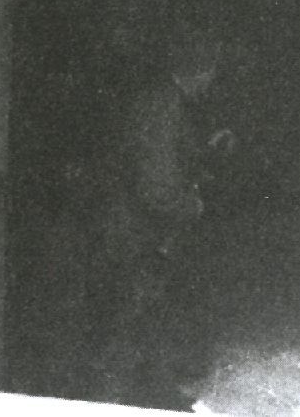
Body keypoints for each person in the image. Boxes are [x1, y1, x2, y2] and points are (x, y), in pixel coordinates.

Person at [85, 24, 241, 411]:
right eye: (210, 73)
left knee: (145, 314)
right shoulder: (162, 109)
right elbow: (156, 188)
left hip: (137, 232)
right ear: (200, 71)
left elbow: (167, 157)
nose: (211, 82)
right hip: (132, 234)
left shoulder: (163, 100)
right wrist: (193, 206)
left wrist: (205, 151)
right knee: (130, 319)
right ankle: (113, 402)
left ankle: (150, 389)